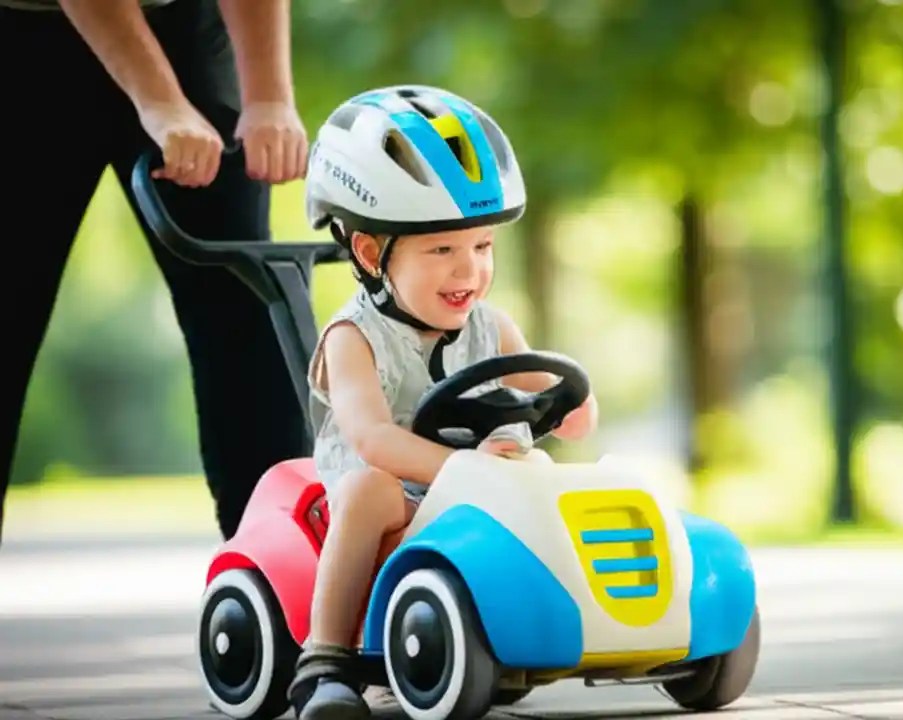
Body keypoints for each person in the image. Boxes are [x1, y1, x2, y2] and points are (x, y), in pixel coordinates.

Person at [286, 85, 598, 719]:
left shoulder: (493, 326)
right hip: (389, 499)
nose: (469, 272)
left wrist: (567, 409)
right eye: (441, 251)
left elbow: (558, 407)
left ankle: (576, 617)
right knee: (370, 487)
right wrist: (464, 469)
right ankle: (324, 662)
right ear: (371, 253)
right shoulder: (352, 338)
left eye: (481, 247)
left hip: (473, 487)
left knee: (535, 467)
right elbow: (372, 437)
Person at [0, 0, 312, 544]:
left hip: (185, 23)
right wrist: (159, 100)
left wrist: (268, 97)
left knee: (245, 306)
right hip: (24, 33)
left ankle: (278, 568)